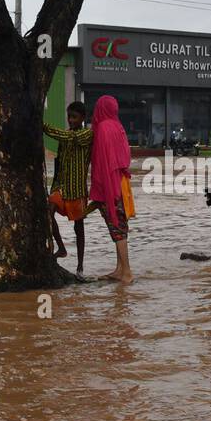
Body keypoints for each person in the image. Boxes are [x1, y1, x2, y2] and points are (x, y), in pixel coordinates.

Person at [85, 96, 134, 284]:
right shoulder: (117, 126)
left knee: (117, 227)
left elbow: (106, 162)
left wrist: (104, 189)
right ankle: (119, 268)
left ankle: (127, 272)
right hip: (121, 183)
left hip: (110, 184)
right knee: (120, 226)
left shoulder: (104, 128)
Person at [43, 101, 93, 275]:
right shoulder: (65, 135)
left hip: (77, 190)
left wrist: (43, 126)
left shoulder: (86, 134)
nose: (71, 120)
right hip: (61, 186)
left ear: (82, 118)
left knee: (79, 228)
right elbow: (60, 162)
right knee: (48, 212)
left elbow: (69, 138)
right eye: (69, 117)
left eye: (74, 117)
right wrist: (54, 186)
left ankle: (80, 266)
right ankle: (61, 248)